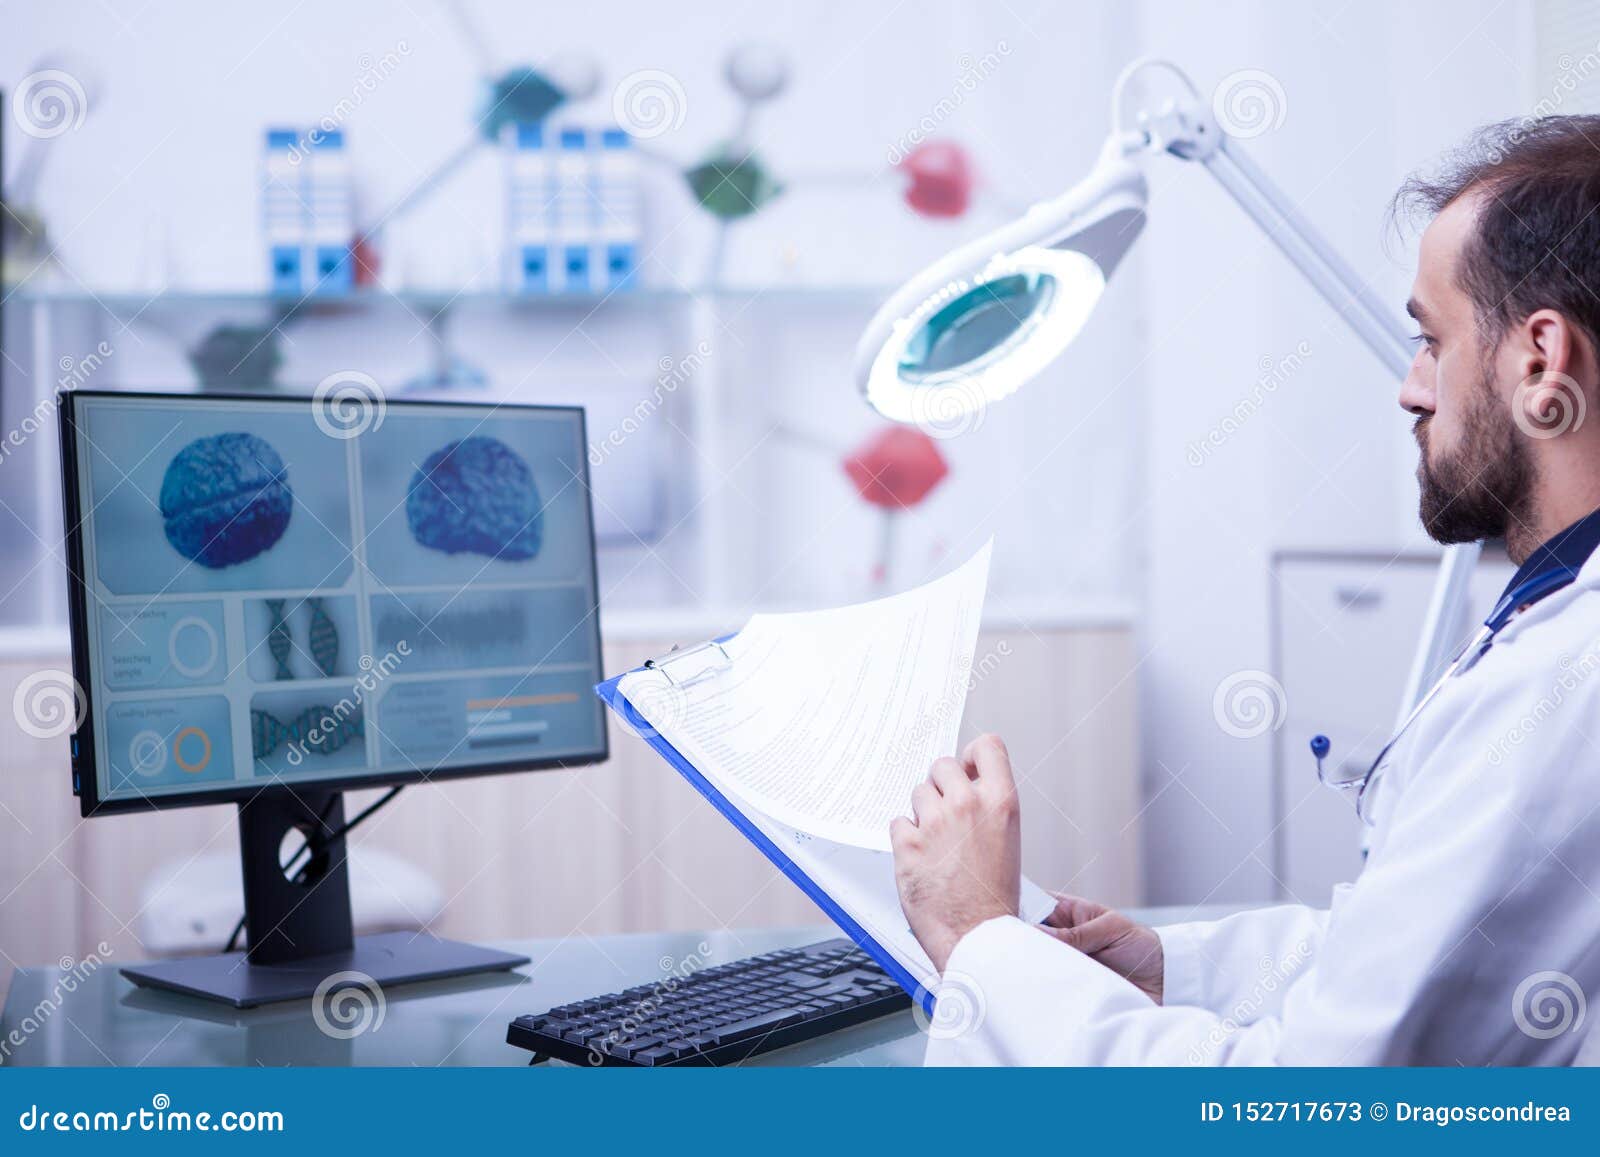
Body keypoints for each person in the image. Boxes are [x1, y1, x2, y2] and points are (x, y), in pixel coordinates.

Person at [890, 115, 1600, 1065]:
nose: (1411, 388)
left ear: (1541, 362)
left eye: (1432, 340)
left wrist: (980, 937)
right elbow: (1414, 957)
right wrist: (1172, 967)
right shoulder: (1558, 629)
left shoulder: (1560, 689)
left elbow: (1297, 1104)